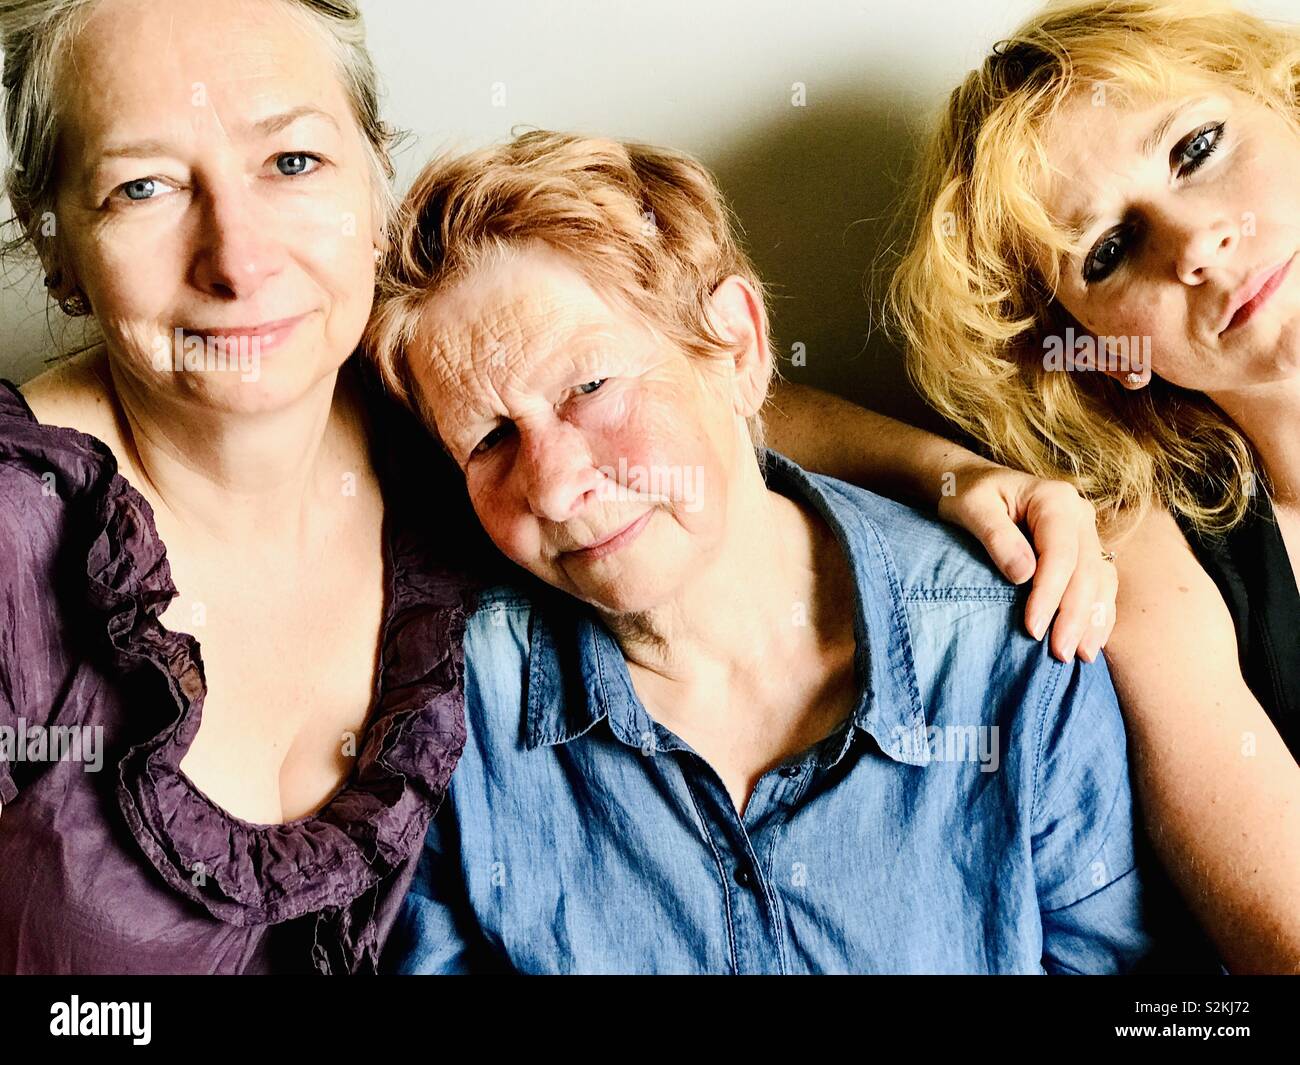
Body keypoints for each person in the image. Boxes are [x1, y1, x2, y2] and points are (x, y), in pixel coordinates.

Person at [0, 0, 1115, 973]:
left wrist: (959, 472)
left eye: (292, 162)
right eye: (140, 186)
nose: (237, 259)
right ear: (55, 243)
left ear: (371, 178)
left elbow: (679, 387)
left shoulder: (423, 430)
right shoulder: (27, 533)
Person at [371, 131, 1152, 974]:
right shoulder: (457, 713)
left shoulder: (1008, 649)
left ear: (737, 347)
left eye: (590, 386)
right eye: (489, 438)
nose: (554, 488)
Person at [881, 0, 1300, 972]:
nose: (1194, 244)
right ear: (1103, 351)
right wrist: (948, 472)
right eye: (1107, 252)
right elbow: (732, 402)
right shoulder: (1162, 569)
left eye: (1195, 147)